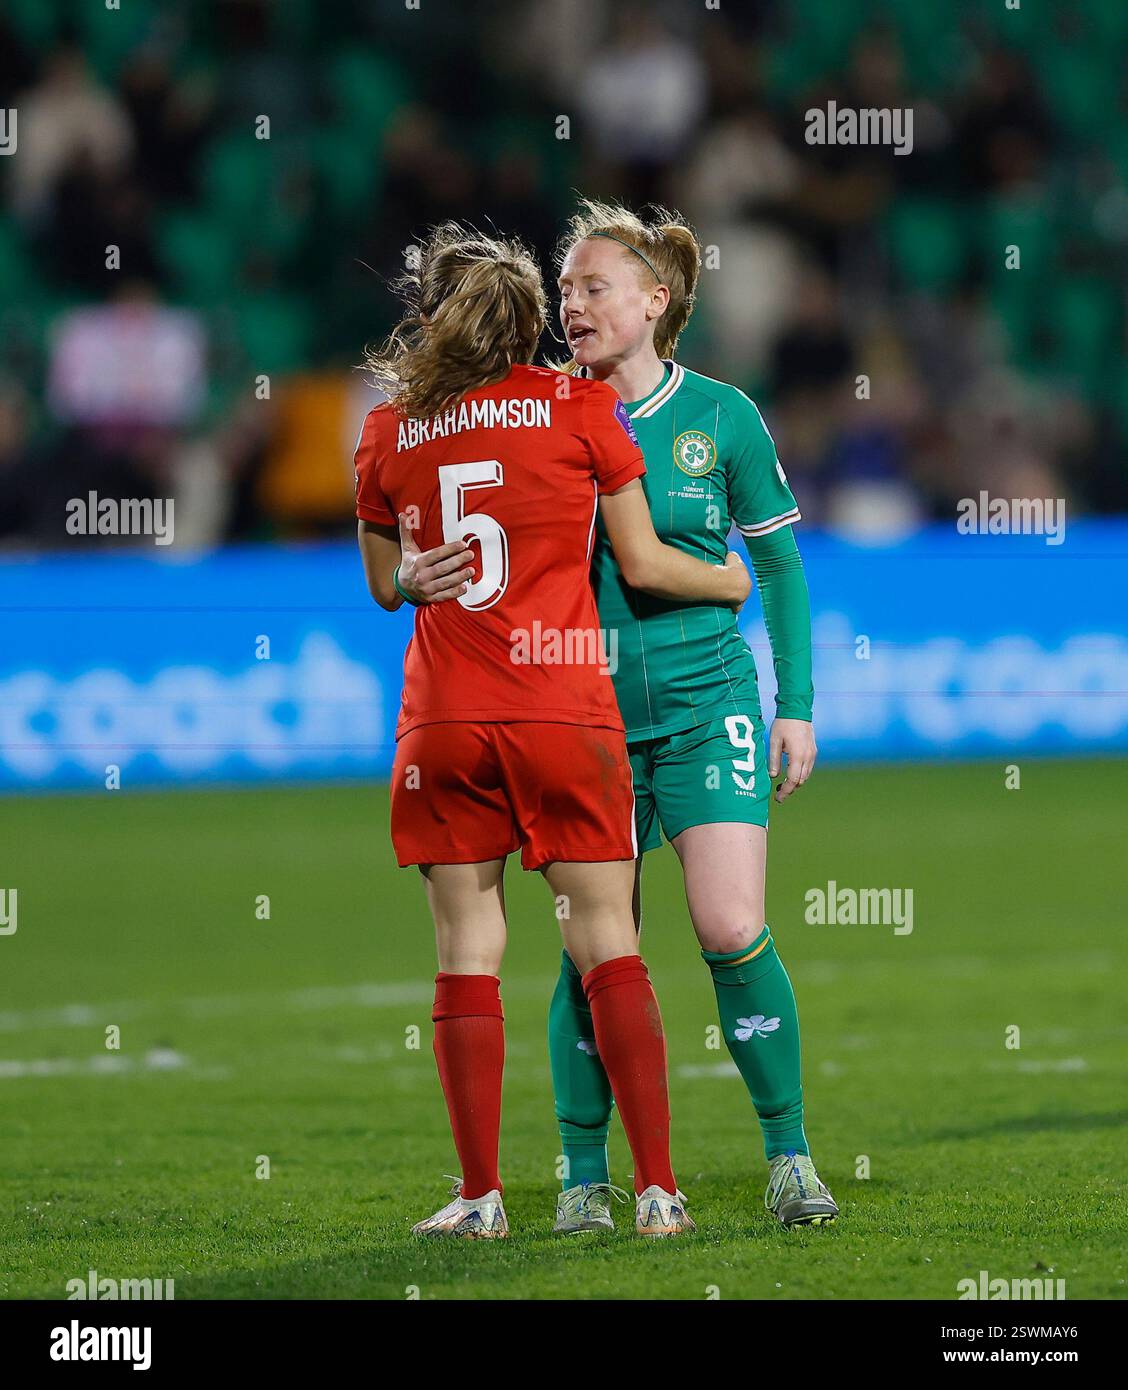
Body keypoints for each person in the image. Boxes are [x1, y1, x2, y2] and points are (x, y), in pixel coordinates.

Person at [354, 223, 751, 1238]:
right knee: (606, 942)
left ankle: (480, 1196)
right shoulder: (581, 407)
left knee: (467, 948)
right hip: (565, 708)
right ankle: (658, 1190)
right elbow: (647, 563)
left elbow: (385, 587)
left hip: (444, 717)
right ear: (531, 321)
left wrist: (414, 576)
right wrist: (732, 576)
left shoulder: (389, 429)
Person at [547, 199, 839, 1232]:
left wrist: (794, 705)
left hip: (710, 701)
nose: (571, 304)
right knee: (599, 945)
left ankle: (790, 1152)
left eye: (594, 287)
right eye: (565, 288)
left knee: (729, 923)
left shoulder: (722, 416)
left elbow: (781, 565)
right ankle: (585, 1173)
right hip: (582, 718)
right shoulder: (545, 416)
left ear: (653, 300)